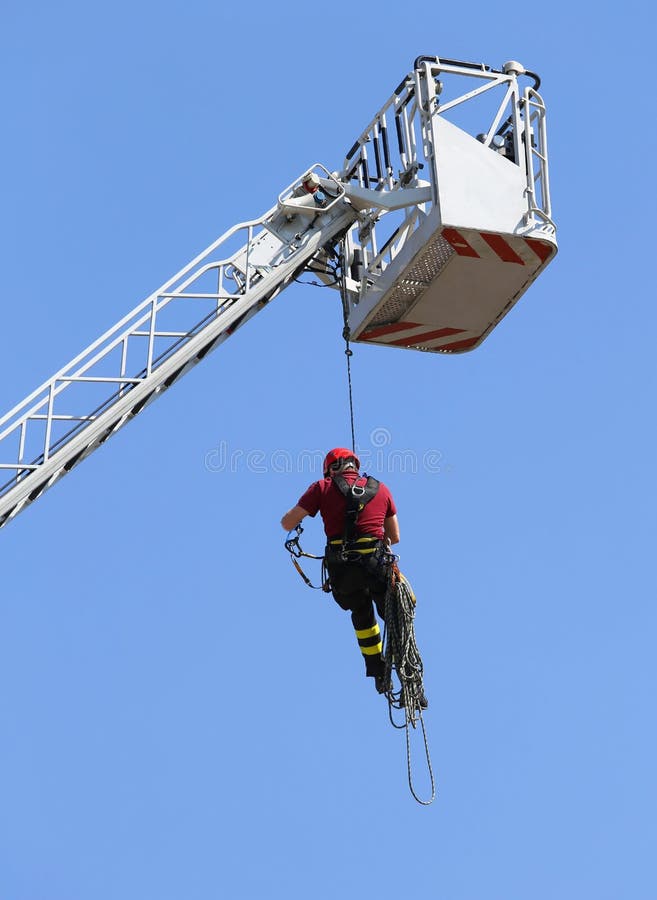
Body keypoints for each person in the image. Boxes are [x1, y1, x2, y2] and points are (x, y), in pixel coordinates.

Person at [281, 447, 400, 694]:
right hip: (377, 565)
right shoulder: (381, 488)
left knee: (361, 613)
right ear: (354, 465)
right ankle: (408, 673)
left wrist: (303, 514)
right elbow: (395, 537)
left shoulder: (322, 488)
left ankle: (378, 672)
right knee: (393, 614)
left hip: (344, 572)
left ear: (331, 470)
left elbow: (287, 523)